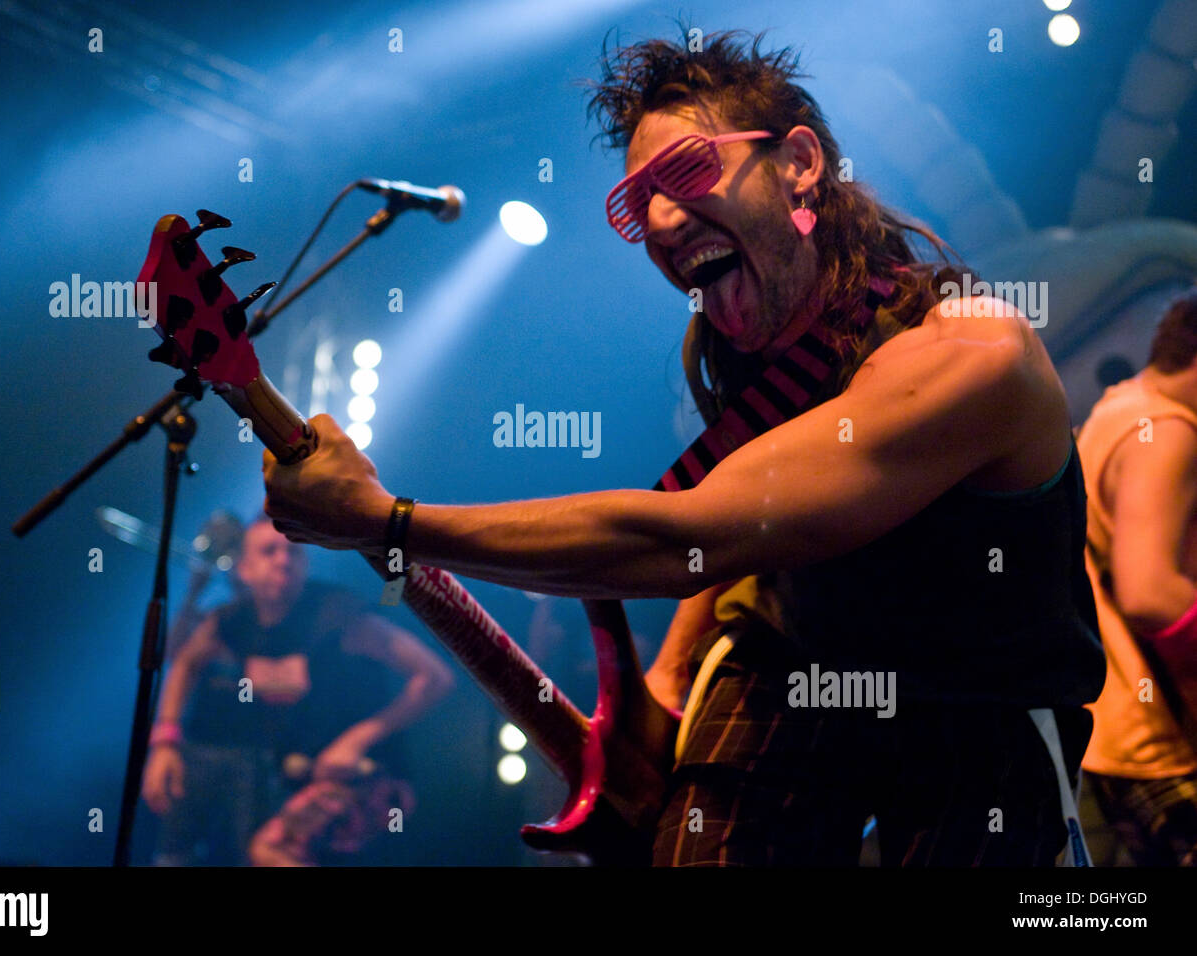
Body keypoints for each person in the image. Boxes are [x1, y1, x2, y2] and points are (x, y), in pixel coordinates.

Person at [261, 29, 1104, 866]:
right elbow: (754, 523)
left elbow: (694, 536)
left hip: (979, 706)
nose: (662, 221)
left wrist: (388, 523)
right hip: (794, 666)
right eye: (638, 202)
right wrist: (664, 689)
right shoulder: (746, 341)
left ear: (800, 164)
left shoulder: (970, 357)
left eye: (690, 172)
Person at [142, 516, 453, 865]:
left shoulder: (336, 614)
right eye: (268, 551)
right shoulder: (232, 621)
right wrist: (165, 742)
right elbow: (182, 661)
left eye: (293, 552)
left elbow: (435, 677)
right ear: (242, 569)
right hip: (301, 774)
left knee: (268, 850)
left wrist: (357, 739)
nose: (283, 559)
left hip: (370, 777)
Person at [1078, 290, 1197, 866]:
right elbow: (1149, 591)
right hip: (1156, 737)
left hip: (1116, 722)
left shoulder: (1125, 405)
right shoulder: (1168, 430)